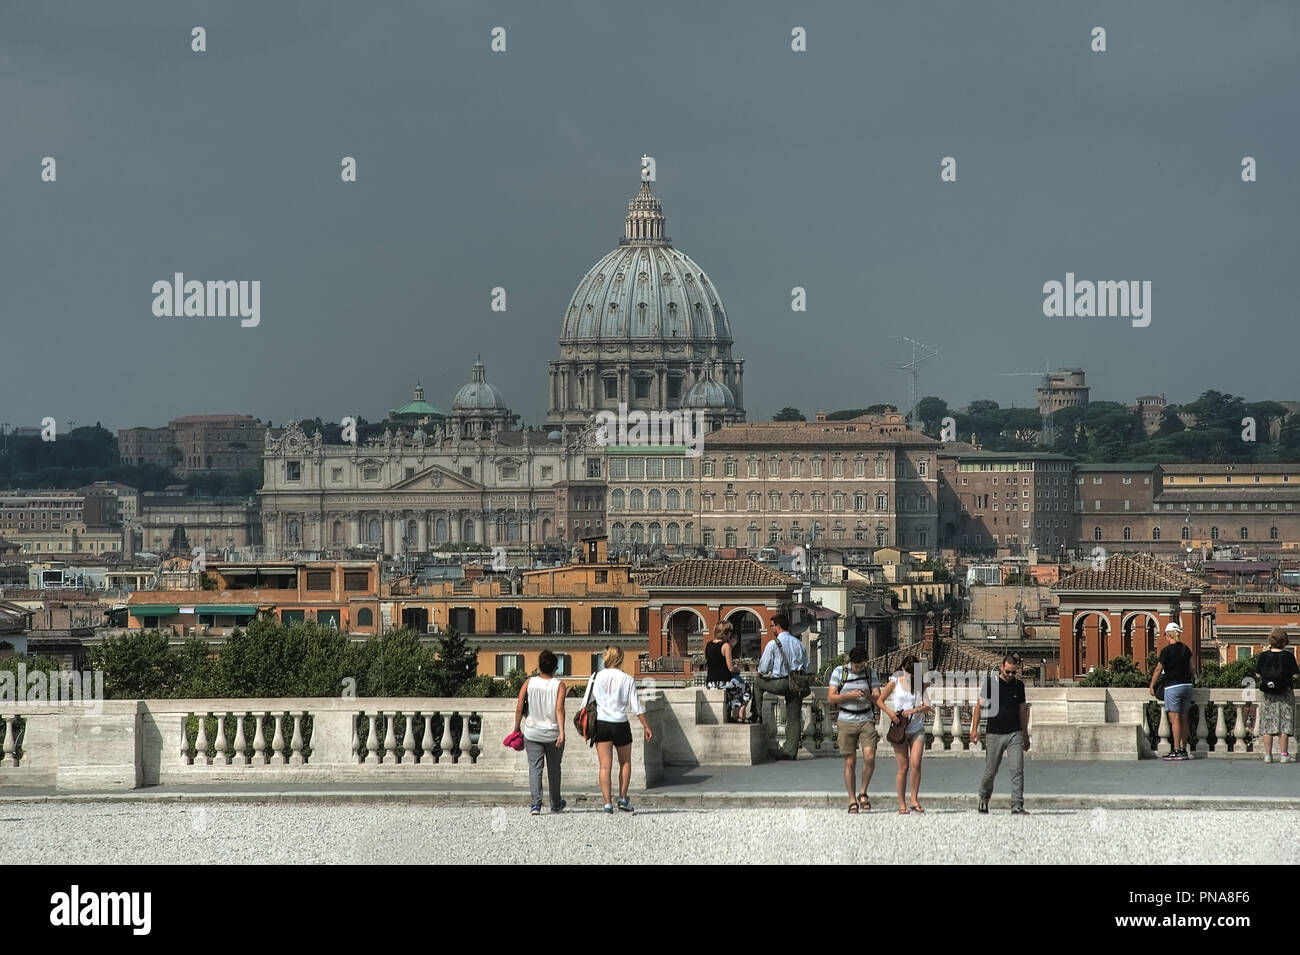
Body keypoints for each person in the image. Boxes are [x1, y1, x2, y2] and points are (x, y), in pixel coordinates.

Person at [590, 645, 653, 813]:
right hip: (620, 723)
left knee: (604, 766)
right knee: (625, 762)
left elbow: (588, 702)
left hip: (601, 723)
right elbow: (636, 706)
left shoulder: (596, 677)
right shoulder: (627, 679)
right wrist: (646, 726)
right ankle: (623, 799)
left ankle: (607, 804)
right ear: (620, 658)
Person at [972, 654, 1030, 814]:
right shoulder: (990, 684)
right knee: (990, 771)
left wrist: (1025, 735)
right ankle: (983, 798)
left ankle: (1017, 805)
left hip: (1015, 733)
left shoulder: (1019, 686)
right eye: (1008, 672)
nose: (1011, 675)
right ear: (1001, 668)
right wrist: (974, 729)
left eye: (1013, 672)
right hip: (994, 733)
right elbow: (978, 707)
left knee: (1017, 769)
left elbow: (1022, 710)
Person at [513, 649, 567, 815]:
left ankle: (536, 805)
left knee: (535, 769)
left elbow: (520, 706)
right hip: (552, 733)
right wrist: (562, 732)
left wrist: (516, 728)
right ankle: (556, 803)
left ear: (539, 666)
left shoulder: (529, 683)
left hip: (532, 732)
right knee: (554, 769)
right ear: (555, 668)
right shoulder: (559, 685)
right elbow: (559, 709)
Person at [827, 647, 880, 813]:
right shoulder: (839, 672)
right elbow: (831, 698)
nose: (857, 668)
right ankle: (852, 800)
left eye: (860, 665)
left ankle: (863, 792)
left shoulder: (870, 673)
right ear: (850, 662)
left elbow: (878, 697)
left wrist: (868, 696)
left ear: (865, 662)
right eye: (855, 666)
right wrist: (849, 696)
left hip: (866, 718)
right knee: (850, 761)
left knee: (870, 757)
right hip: (846, 719)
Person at [879, 655, 931, 814]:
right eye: (908, 671)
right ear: (902, 669)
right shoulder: (894, 682)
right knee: (903, 766)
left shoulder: (919, 685)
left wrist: (915, 710)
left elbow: (927, 705)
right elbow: (880, 700)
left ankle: (914, 799)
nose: (910, 674)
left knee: (916, 764)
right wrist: (890, 713)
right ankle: (902, 803)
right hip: (900, 727)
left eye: (912, 671)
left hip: (916, 727)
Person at [755, 613, 809, 760]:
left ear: (778, 627)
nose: (771, 628)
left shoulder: (773, 644)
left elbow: (764, 668)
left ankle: (756, 714)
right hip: (797, 683)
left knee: (758, 683)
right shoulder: (798, 643)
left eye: (772, 625)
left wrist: (761, 672)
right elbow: (806, 665)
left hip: (781, 682)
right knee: (794, 718)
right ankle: (790, 752)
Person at [1150, 622, 1194, 760]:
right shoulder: (1186, 649)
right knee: (1184, 718)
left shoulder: (1166, 651)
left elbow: (1158, 669)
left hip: (1173, 687)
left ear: (1168, 634)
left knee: (1174, 719)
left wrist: (1152, 685)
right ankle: (1184, 749)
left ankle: (1176, 749)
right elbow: (1192, 668)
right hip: (1187, 685)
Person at [1255, 627, 1298, 764]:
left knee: (1268, 724)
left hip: (1268, 694)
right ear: (1284, 641)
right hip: (1285, 693)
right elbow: (1295, 675)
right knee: (1284, 725)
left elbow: (1258, 674)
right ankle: (1283, 754)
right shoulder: (1288, 656)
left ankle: (1268, 755)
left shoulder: (1263, 656)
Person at [705, 621, 752, 722]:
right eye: (730, 631)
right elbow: (730, 668)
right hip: (723, 683)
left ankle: (736, 714)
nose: (731, 634)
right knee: (747, 688)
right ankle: (740, 712)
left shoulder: (708, 645)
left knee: (737, 686)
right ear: (725, 632)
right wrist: (737, 670)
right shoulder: (726, 646)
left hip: (710, 683)